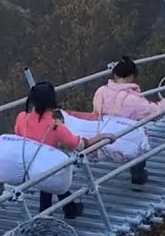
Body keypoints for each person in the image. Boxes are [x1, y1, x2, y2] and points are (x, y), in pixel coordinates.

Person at [15, 81, 112, 219]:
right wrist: (102, 136)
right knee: (52, 177)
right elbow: (79, 145)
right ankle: (62, 210)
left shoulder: (21, 118)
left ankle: (63, 209)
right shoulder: (55, 127)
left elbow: (20, 138)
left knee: (47, 182)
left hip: (28, 164)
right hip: (47, 168)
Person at [92, 55, 165, 186]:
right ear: (131, 76)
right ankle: (137, 174)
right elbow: (154, 113)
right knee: (138, 144)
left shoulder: (101, 91)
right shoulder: (132, 99)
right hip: (126, 138)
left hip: (103, 138)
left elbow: (96, 112)